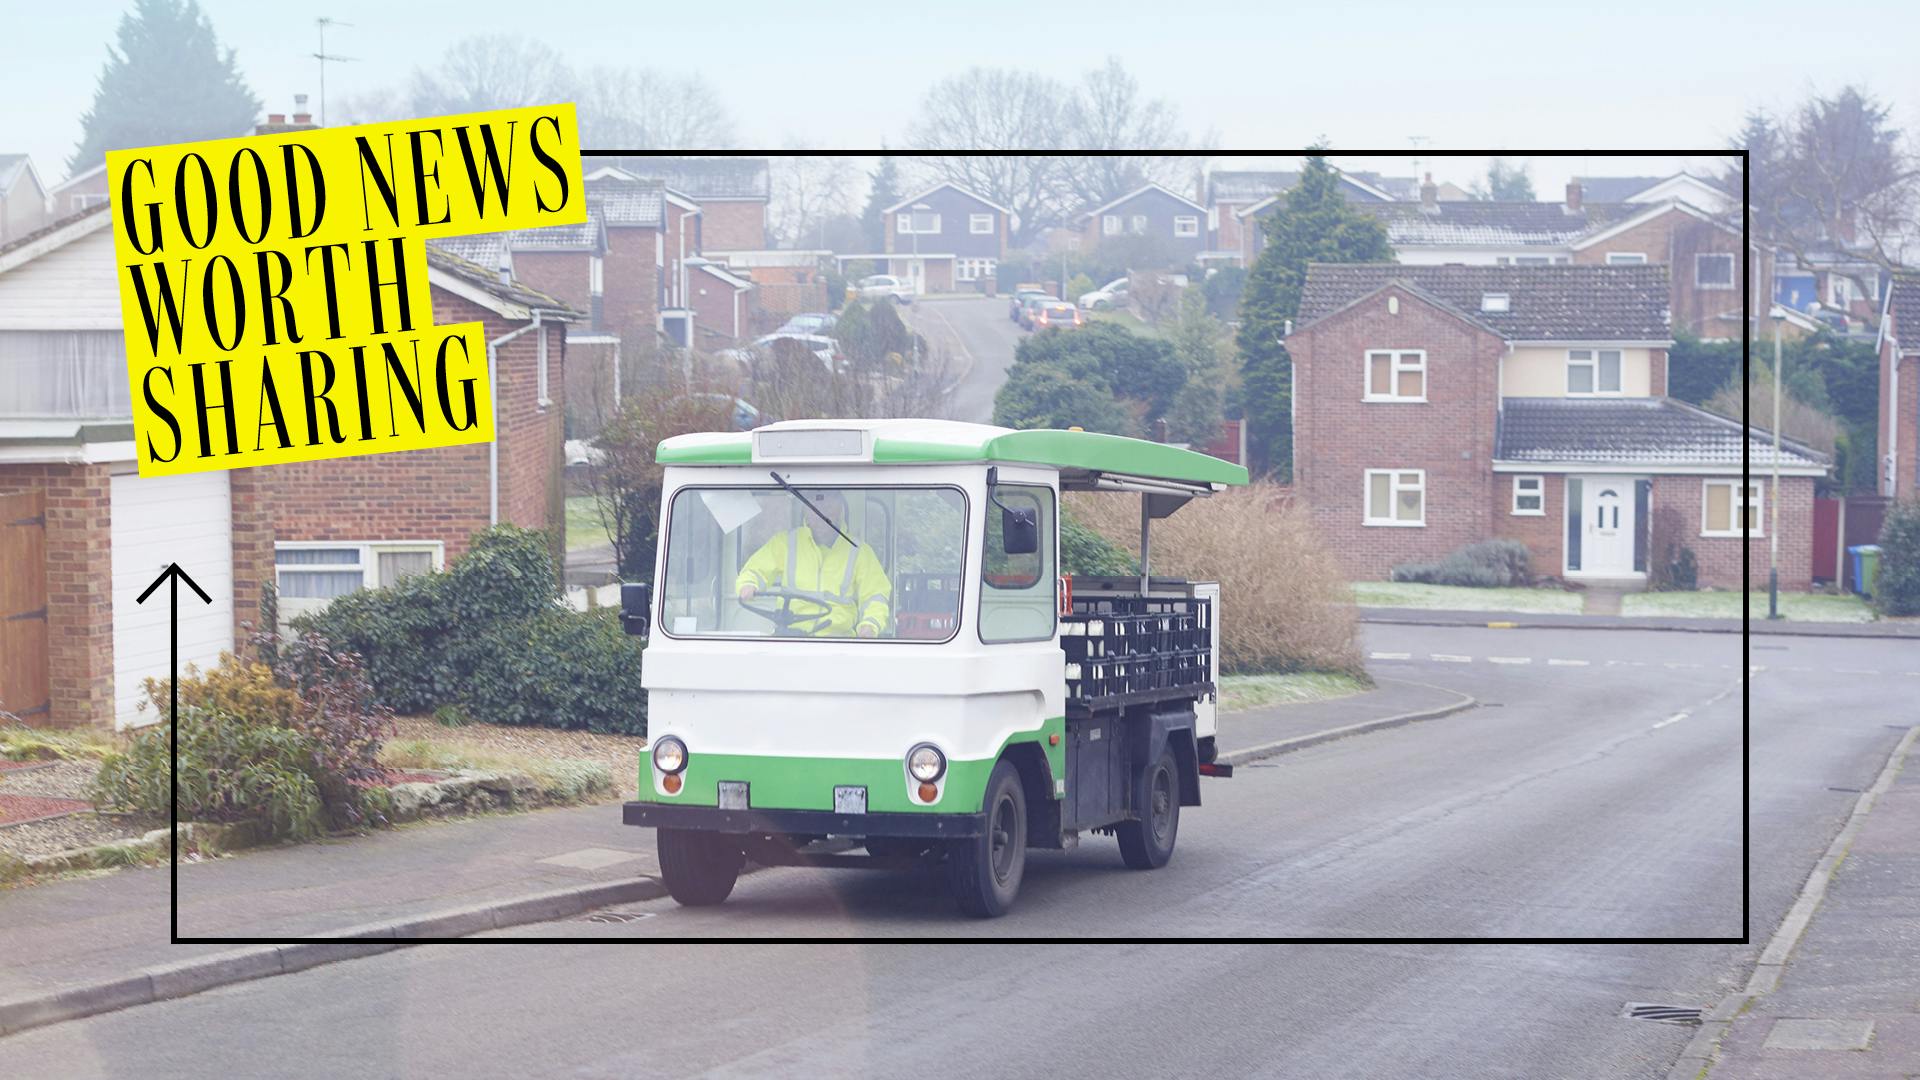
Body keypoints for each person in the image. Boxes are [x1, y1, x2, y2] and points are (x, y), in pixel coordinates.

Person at [735, 489, 891, 637]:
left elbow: (875, 595)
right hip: (789, 637)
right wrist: (748, 584)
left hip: (839, 641)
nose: (821, 515)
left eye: (828, 508)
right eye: (815, 508)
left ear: (839, 512)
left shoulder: (859, 551)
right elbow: (754, 570)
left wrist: (870, 624)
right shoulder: (785, 543)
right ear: (806, 512)